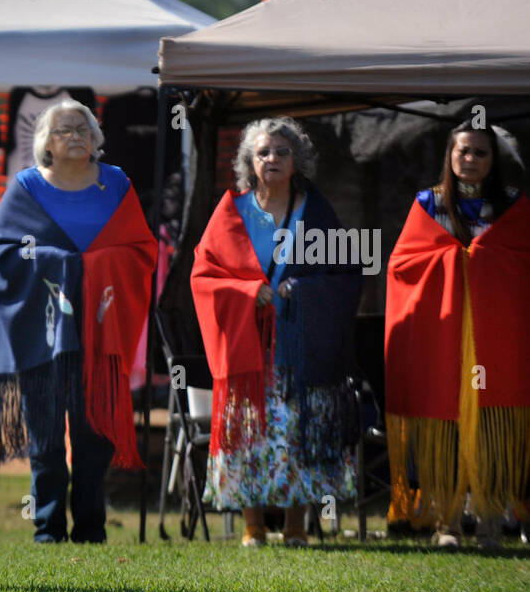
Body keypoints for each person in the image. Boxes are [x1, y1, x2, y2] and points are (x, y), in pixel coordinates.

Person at [0, 100, 156, 544]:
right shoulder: (26, 189)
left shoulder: (116, 185)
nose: (75, 135)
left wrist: (98, 265)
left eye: (83, 128)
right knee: (44, 437)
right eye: (64, 130)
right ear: (46, 142)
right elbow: (3, 250)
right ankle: (48, 528)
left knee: (94, 436)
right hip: (43, 336)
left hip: (100, 334)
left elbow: (141, 250)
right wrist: (57, 261)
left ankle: (92, 527)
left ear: (96, 138)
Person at [191, 117, 361, 547]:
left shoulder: (316, 212)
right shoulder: (233, 211)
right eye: (263, 152)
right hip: (249, 347)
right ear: (250, 160)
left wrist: (303, 289)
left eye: (282, 152)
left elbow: (345, 275)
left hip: (300, 344)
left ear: (297, 160)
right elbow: (204, 276)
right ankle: (253, 527)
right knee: (251, 430)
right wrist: (249, 291)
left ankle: (295, 526)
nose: (272, 159)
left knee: (297, 429)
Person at [385, 119, 530, 550]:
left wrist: (482, 264)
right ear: (449, 156)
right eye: (462, 151)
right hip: (444, 334)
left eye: (479, 152)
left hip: (493, 339)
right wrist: (454, 263)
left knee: (490, 427)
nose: (469, 159)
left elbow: (521, 264)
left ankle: (489, 519)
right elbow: (403, 264)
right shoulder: (428, 204)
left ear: (493, 160)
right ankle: (446, 522)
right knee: (446, 429)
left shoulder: (512, 205)